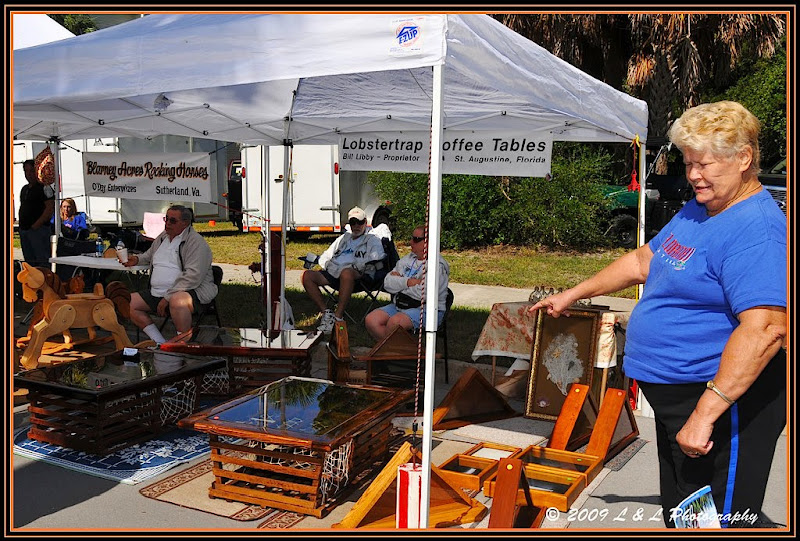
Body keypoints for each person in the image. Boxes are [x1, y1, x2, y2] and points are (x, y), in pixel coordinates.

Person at [529, 101, 786, 528]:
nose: (692, 175)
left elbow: (766, 330)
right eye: (688, 162)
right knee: (688, 515)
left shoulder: (756, 229)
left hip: (718, 403)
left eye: (703, 164)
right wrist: (573, 294)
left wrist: (704, 416)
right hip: (676, 400)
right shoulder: (701, 209)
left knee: (725, 520)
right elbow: (644, 261)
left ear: (743, 159)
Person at [123, 205, 218, 344]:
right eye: (166, 219)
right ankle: (159, 342)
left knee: (177, 301)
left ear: (185, 223)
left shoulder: (196, 242)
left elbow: (193, 276)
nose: (167, 223)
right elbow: (149, 255)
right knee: (126, 302)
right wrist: (136, 259)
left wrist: (168, 297)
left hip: (191, 291)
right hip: (159, 292)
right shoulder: (163, 237)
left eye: (172, 221)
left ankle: (183, 343)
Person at [302, 206, 385, 333]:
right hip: (335, 273)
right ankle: (326, 312)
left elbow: (378, 257)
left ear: (365, 223)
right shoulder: (344, 238)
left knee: (346, 273)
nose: (356, 226)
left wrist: (358, 266)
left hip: (359, 275)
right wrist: (326, 265)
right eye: (353, 222)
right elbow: (327, 254)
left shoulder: (372, 239)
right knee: (307, 275)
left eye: (360, 222)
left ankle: (338, 316)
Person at [365, 225, 450, 341]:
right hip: (402, 305)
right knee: (371, 320)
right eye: (411, 238)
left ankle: (392, 352)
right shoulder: (408, 259)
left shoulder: (437, 266)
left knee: (395, 322)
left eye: (416, 239)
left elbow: (424, 294)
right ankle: (397, 351)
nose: (411, 242)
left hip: (426, 309)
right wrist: (409, 282)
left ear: (429, 242)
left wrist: (399, 284)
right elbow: (387, 282)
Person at [18, 159, 55, 268]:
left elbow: (49, 208)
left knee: (41, 260)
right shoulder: (25, 189)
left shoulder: (44, 188)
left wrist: (37, 224)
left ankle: (44, 283)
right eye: (26, 171)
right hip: (25, 230)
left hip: (38, 230)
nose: (28, 174)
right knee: (29, 262)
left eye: (31, 171)